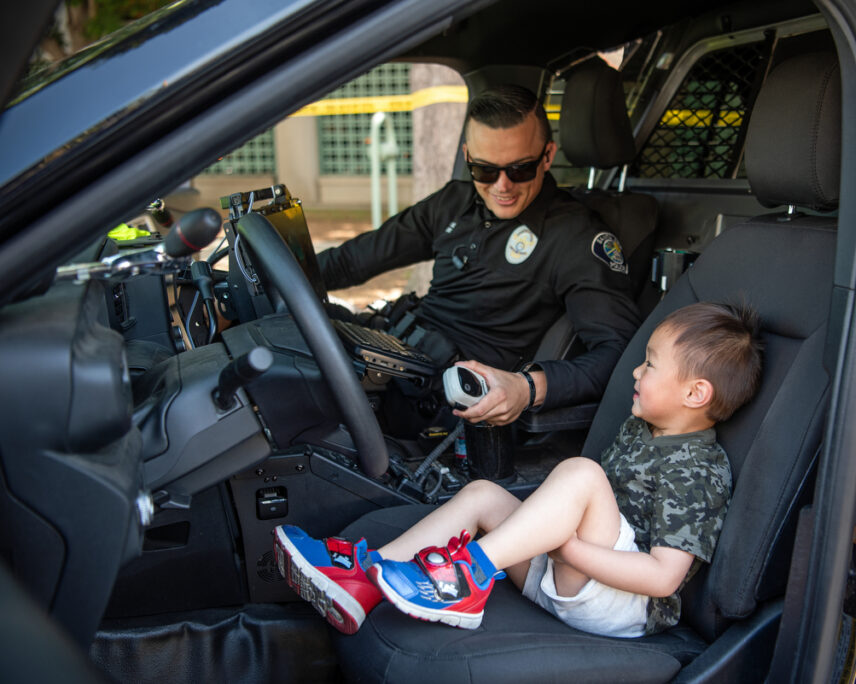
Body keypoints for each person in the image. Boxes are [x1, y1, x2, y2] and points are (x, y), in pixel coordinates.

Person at [274, 302, 763, 637]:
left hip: (623, 605)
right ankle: (365, 579)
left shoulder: (699, 468)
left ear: (695, 394)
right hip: (571, 578)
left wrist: (567, 546)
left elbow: (662, 579)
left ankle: (464, 580)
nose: (635, 372)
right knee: (484, 493)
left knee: (582, 474)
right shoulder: (643, 430)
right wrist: (557, 543)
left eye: (651, 366)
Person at [316, 84, 639, 430]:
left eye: (520, 169)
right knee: (284, 328)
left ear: (547, 156)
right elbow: (351, 262)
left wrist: (528, 387)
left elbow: (620, 353)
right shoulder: (453, 202)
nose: (502, 186)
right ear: (468, 156)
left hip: (440, 401)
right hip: (390, 346)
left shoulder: (576, 237)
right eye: (485, 170)